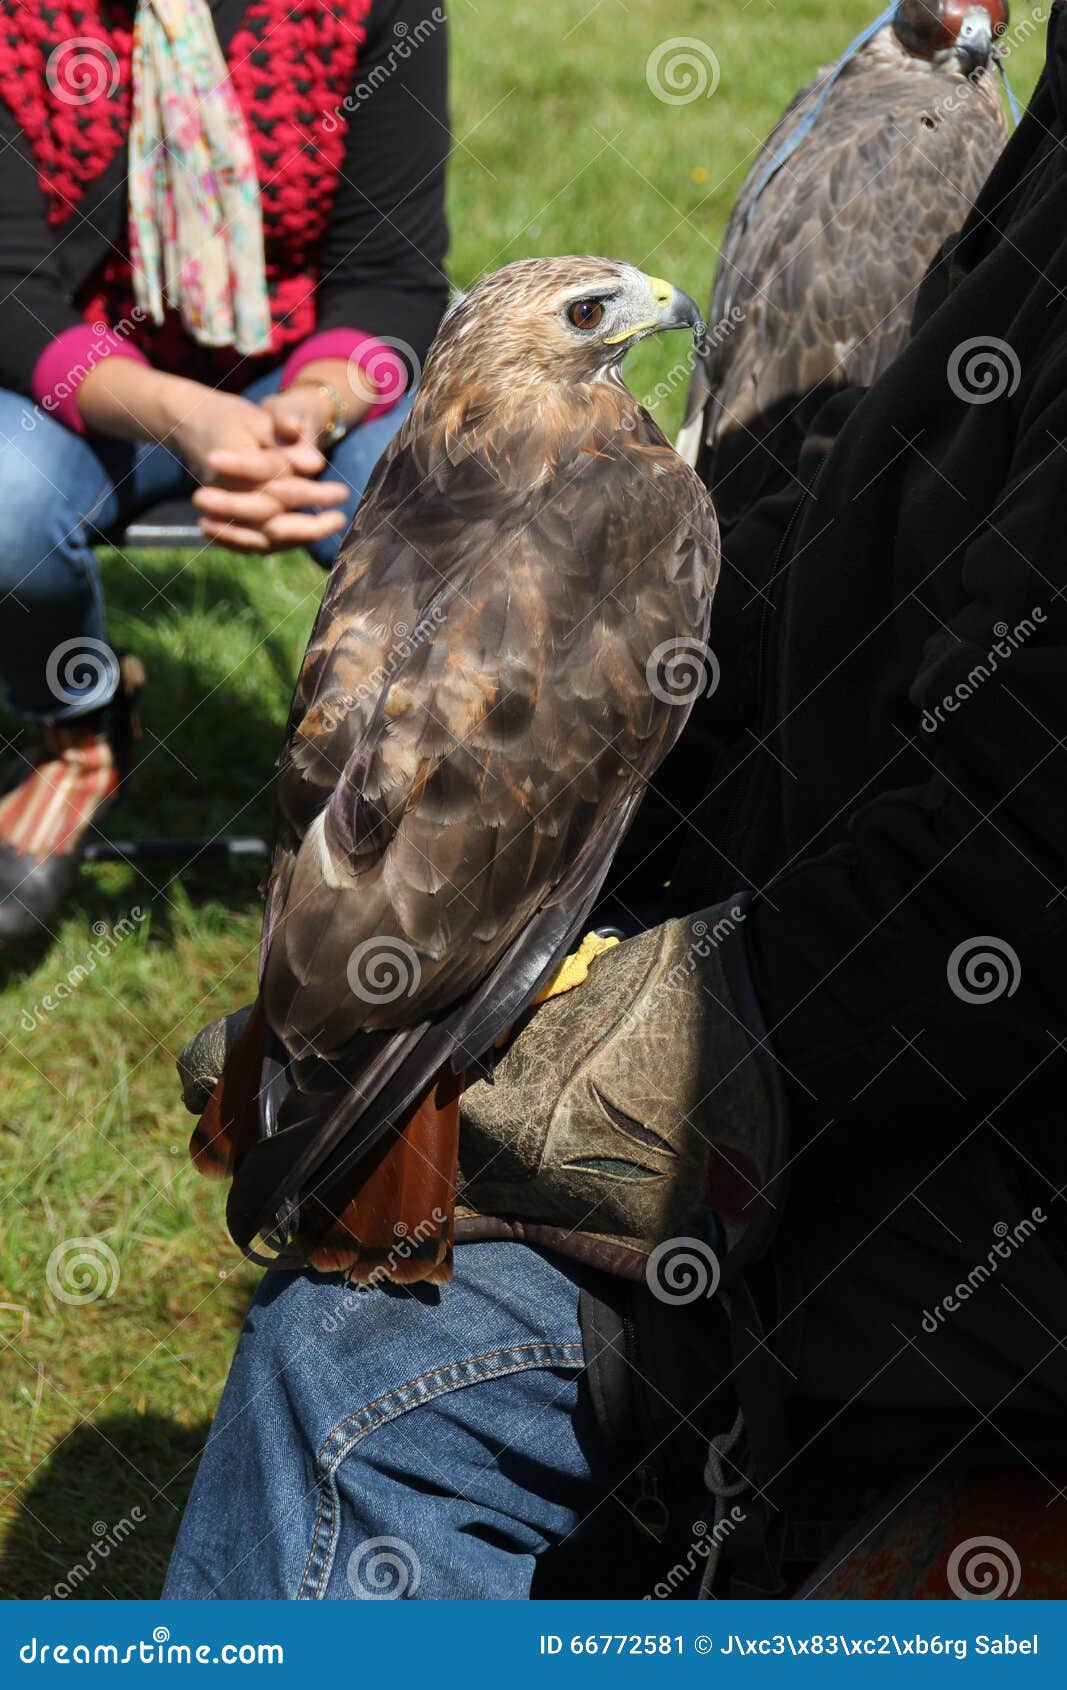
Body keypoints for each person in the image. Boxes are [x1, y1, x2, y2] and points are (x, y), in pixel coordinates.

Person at [164, 3, 1067, 1602]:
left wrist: (695, 1026)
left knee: (359, 1364)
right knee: (341, 1319)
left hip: (958, 1195)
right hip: (825, 996)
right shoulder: (1007, 140)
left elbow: (1023, 847)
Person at [0, 0, 449, 941]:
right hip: (86, 379)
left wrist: (308, 411)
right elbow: (14, 294)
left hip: (303, 369)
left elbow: (390, 275)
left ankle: (408, 796)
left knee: (441, 515)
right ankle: (75, 730)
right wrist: (188, 418)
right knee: (3, 505)